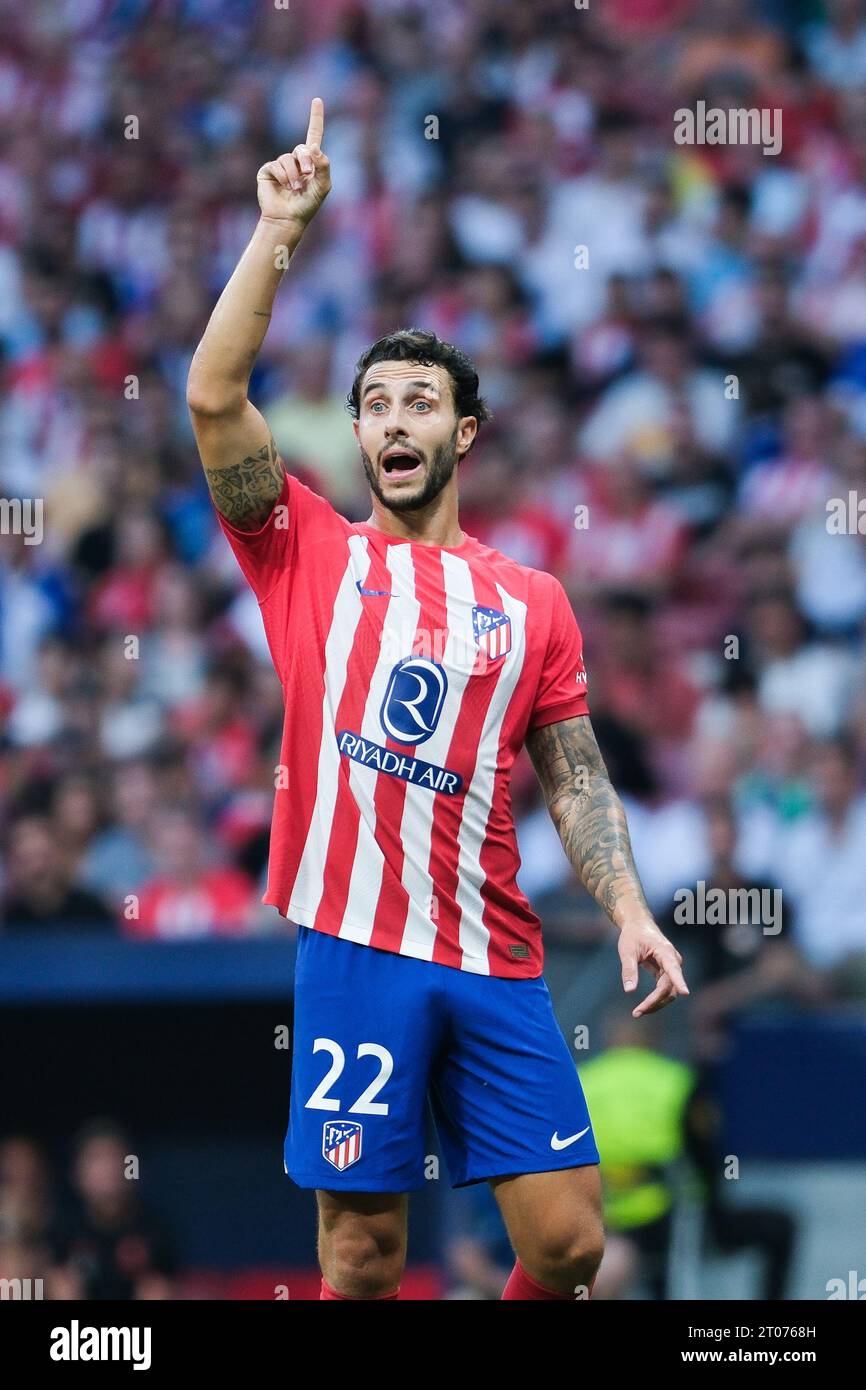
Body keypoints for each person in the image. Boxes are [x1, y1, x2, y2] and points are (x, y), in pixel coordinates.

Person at [186, 98, 689, 1302]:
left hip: (494, 948)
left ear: (462, 432)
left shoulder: (532, 600)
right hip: (356, 949)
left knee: (567, 1244)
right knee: (363, 1255)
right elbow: (212, 397)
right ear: (355, 433)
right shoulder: (302, 547)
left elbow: (572, 773)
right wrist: (279, 229)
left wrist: (625, 906)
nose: (393, 421)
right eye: (374, 404)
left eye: (418, 402)